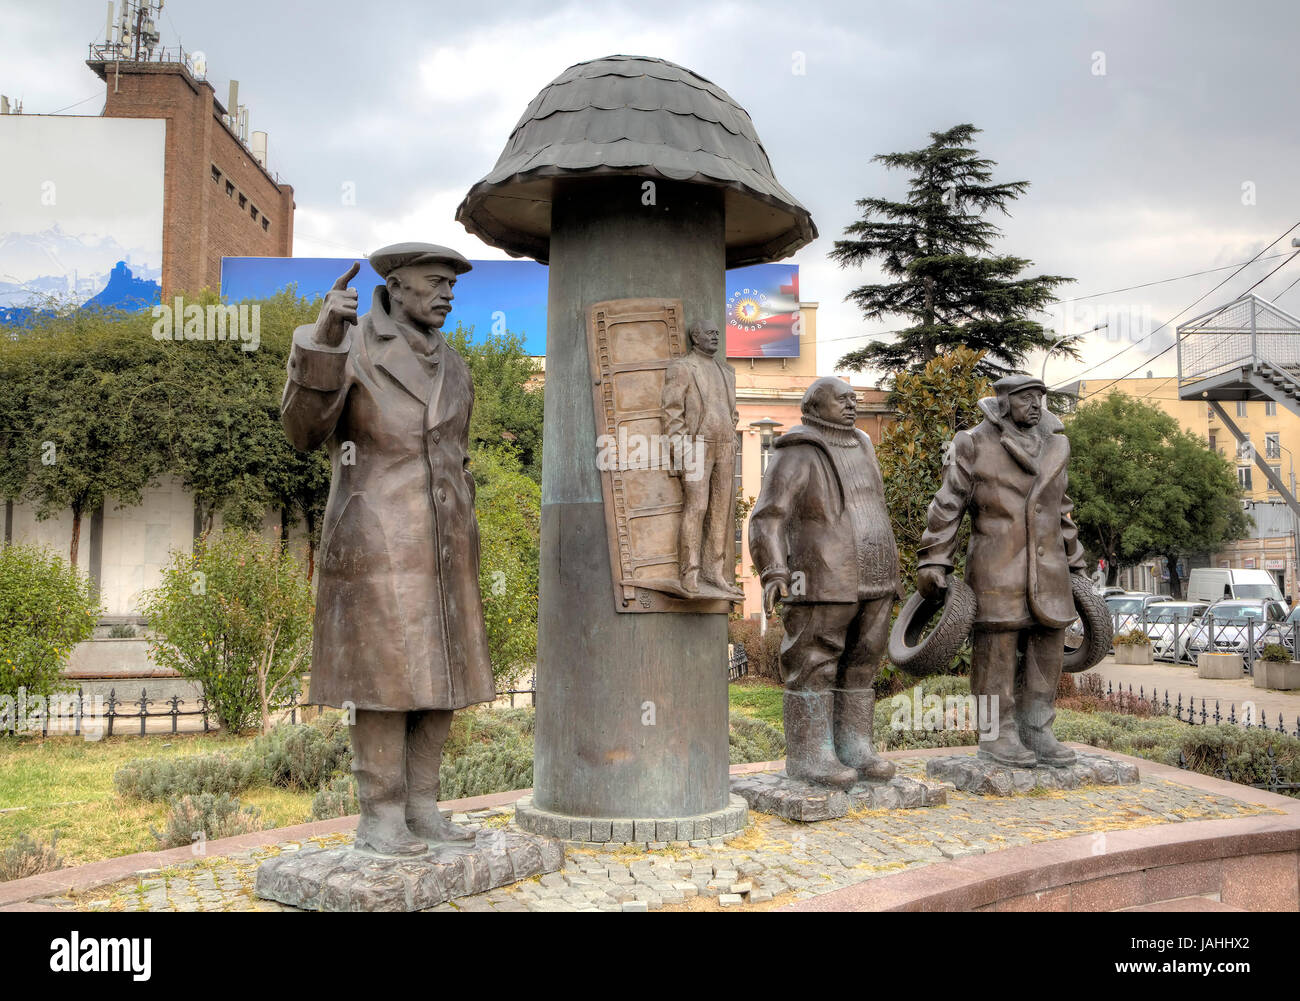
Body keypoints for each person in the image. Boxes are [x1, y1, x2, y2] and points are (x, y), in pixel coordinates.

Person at [281, 243, 494, 855]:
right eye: (435, 281)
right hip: (375, 536)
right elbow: (302, 431)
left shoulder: (455, 365)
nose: (448, 292)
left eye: (453, 284)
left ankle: (423, 807)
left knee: (444, 674)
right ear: (395, 287)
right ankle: (380, 814)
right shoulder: (348, 345)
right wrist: (320, 341)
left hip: (448, 540)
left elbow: (455, 448)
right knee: (383, 678)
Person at [915, 375, 1087, 767]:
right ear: (1005, 402)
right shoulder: (973, 442)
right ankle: (997, 734)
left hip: (1050, 570)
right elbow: (947, 506)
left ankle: (1038, 729)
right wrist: (934, 559)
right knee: (998, 653)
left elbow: (1062, 510)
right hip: (997, 567)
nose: (1036, 405)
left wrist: (1076, 564)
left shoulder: (1057, 443)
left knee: (1048, 648)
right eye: (1027, 398)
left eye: (1040, 398)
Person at [748, 377, 899, 788]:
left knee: (863, 661)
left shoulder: (863, 444)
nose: (852, 405)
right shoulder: (797, 451)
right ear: (815, 406)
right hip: (821, 577)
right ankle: (811, 754)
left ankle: (855, 747)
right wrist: (774, 570)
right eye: (842, 400)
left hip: (876, 574)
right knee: (814, 663)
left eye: (854, 399)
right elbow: (769, 516)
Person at [661, 324, 741, 595]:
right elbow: (672, 412)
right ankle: (689, 571)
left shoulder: (727, 372)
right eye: (709, 332)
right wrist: (681, 451)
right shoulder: (682, 367)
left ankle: (715, 572)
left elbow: (731, 410)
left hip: (725, 447)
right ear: (695, 337)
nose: (716, 335)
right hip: (697, 447)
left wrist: (733, 434)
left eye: (718, 332)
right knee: (697, 508)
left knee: (721, 511)